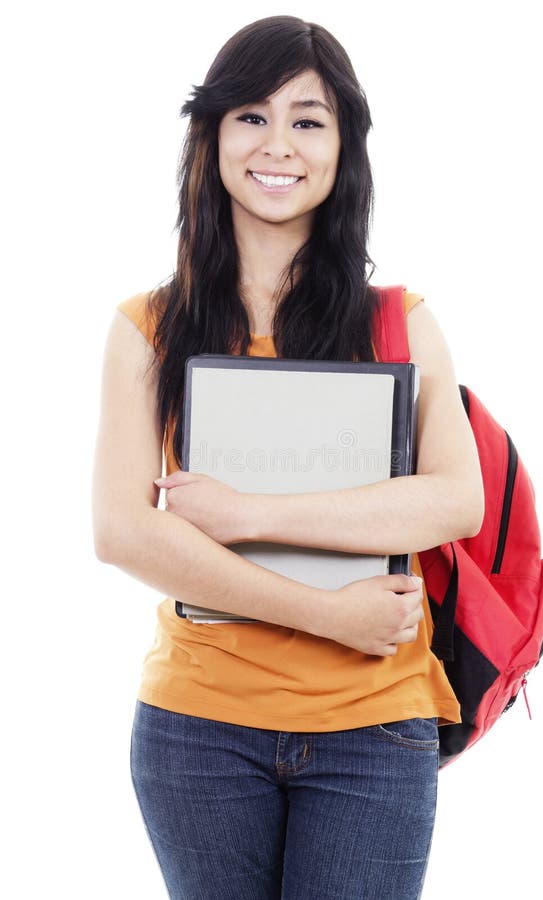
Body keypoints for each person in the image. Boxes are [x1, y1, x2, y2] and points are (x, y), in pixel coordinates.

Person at [93, 15, 483, 900]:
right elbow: (121, 531)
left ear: (345, 144)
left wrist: (248, 514)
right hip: (196, 726)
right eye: (251, 116)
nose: (279, 144)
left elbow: (456, 501)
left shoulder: (399, 320)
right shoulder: (146, 328)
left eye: (308, 120)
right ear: (213, 135)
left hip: (373, 731)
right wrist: (327, 613)